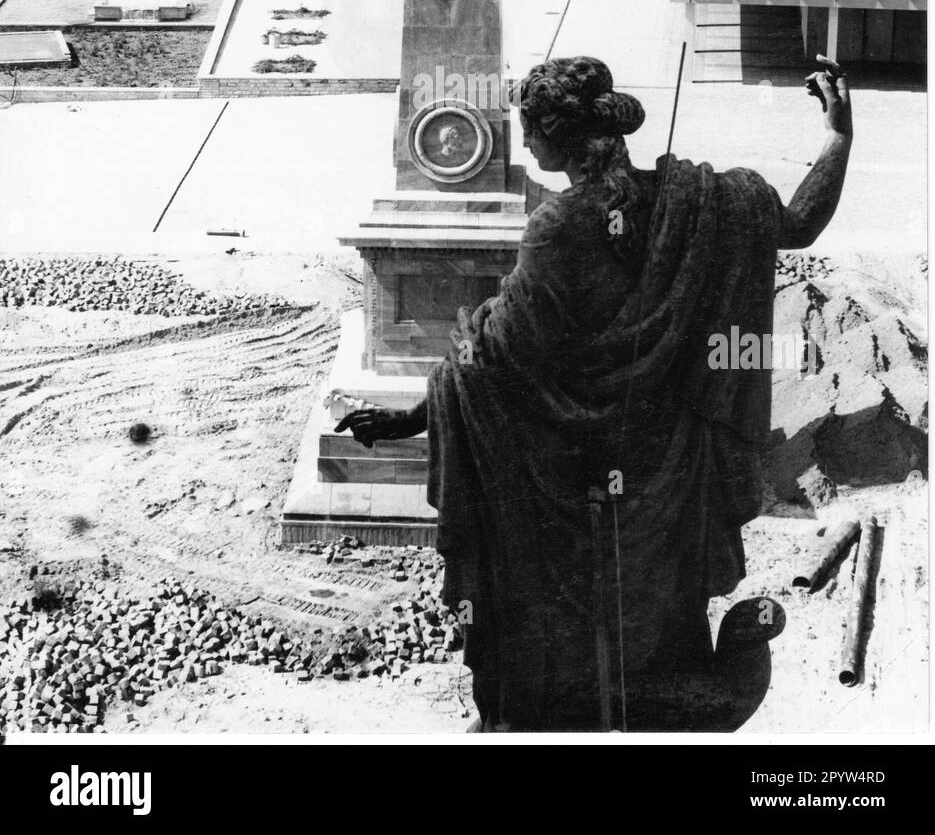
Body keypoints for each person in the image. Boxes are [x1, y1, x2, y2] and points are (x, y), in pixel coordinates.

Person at [337, 55, 852, 731]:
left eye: (528, 128)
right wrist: (838, 136)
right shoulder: (701, 201)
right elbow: (796, 224)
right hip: (665, 474)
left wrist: (409, 418)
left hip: (576, 481)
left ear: (557, 135)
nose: (521, 143)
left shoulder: (560, 227)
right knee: (660, 619)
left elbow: (488, 363)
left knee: (567, 629)